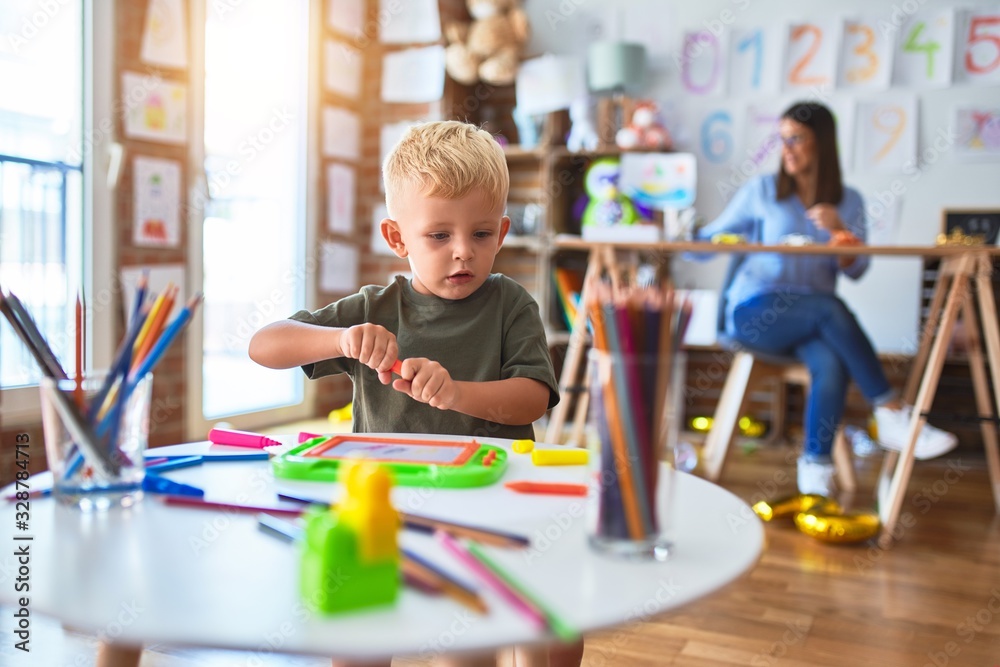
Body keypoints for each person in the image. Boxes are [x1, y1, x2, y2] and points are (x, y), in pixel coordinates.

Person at [249, 120, 584, 667]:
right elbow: (264, 346)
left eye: (480, 235)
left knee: (474, 646)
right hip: (387, 503)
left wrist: (456, 394)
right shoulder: (375, 309)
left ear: (501, 234)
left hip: (483, 504)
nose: (463, 254)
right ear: (398, 238)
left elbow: (531, 398)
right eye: (438, 235)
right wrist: (340, 338)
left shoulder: (511, 305)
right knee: (357, 636)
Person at [695, 101, 957, 496]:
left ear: (822, 143)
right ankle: (888, 410)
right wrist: (694, 235)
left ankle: (815, 470)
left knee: (830, 360)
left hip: (812, 319)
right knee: (829, 309)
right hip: (756, 313)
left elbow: (855, 269)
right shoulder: (763, 191)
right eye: (782, 140)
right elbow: (703, 243)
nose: (787, 149)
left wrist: (840, 233)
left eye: (797, 139)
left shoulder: (848, 201)